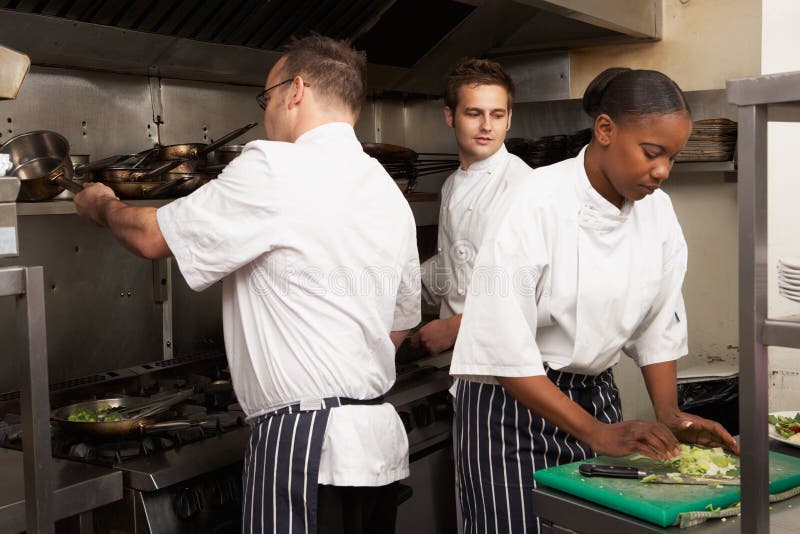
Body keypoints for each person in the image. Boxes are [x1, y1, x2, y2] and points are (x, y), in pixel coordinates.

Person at [74, 34, 421, 534]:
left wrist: (104, 205)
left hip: (307, 445)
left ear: (295, 90)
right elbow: (400, 325)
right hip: (375, 447)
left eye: (266, 98)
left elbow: (151, 237)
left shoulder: (275, 165)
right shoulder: (387, 191)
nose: (266, 114)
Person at [449, 67, 739, 534]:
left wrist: (670, 414)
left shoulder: (658, 211)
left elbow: (658, 323)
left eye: (673, 158)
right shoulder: (533, 199)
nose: (662, 171)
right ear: (605, 129)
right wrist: (593, 432)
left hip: (597, 397)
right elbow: (502, 347)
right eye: (652, 153)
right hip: (512, 411)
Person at [415, 58, 532, 354]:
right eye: (473, 113)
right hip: (465, 358)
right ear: (450, 116)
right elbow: (458, 262)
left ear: (509, 119)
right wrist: (403, 285)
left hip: (508, 357)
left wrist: (453, 328)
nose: (486, 126)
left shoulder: (524, 187)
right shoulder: (452, 184)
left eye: (497, 115)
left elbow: (532, 289)